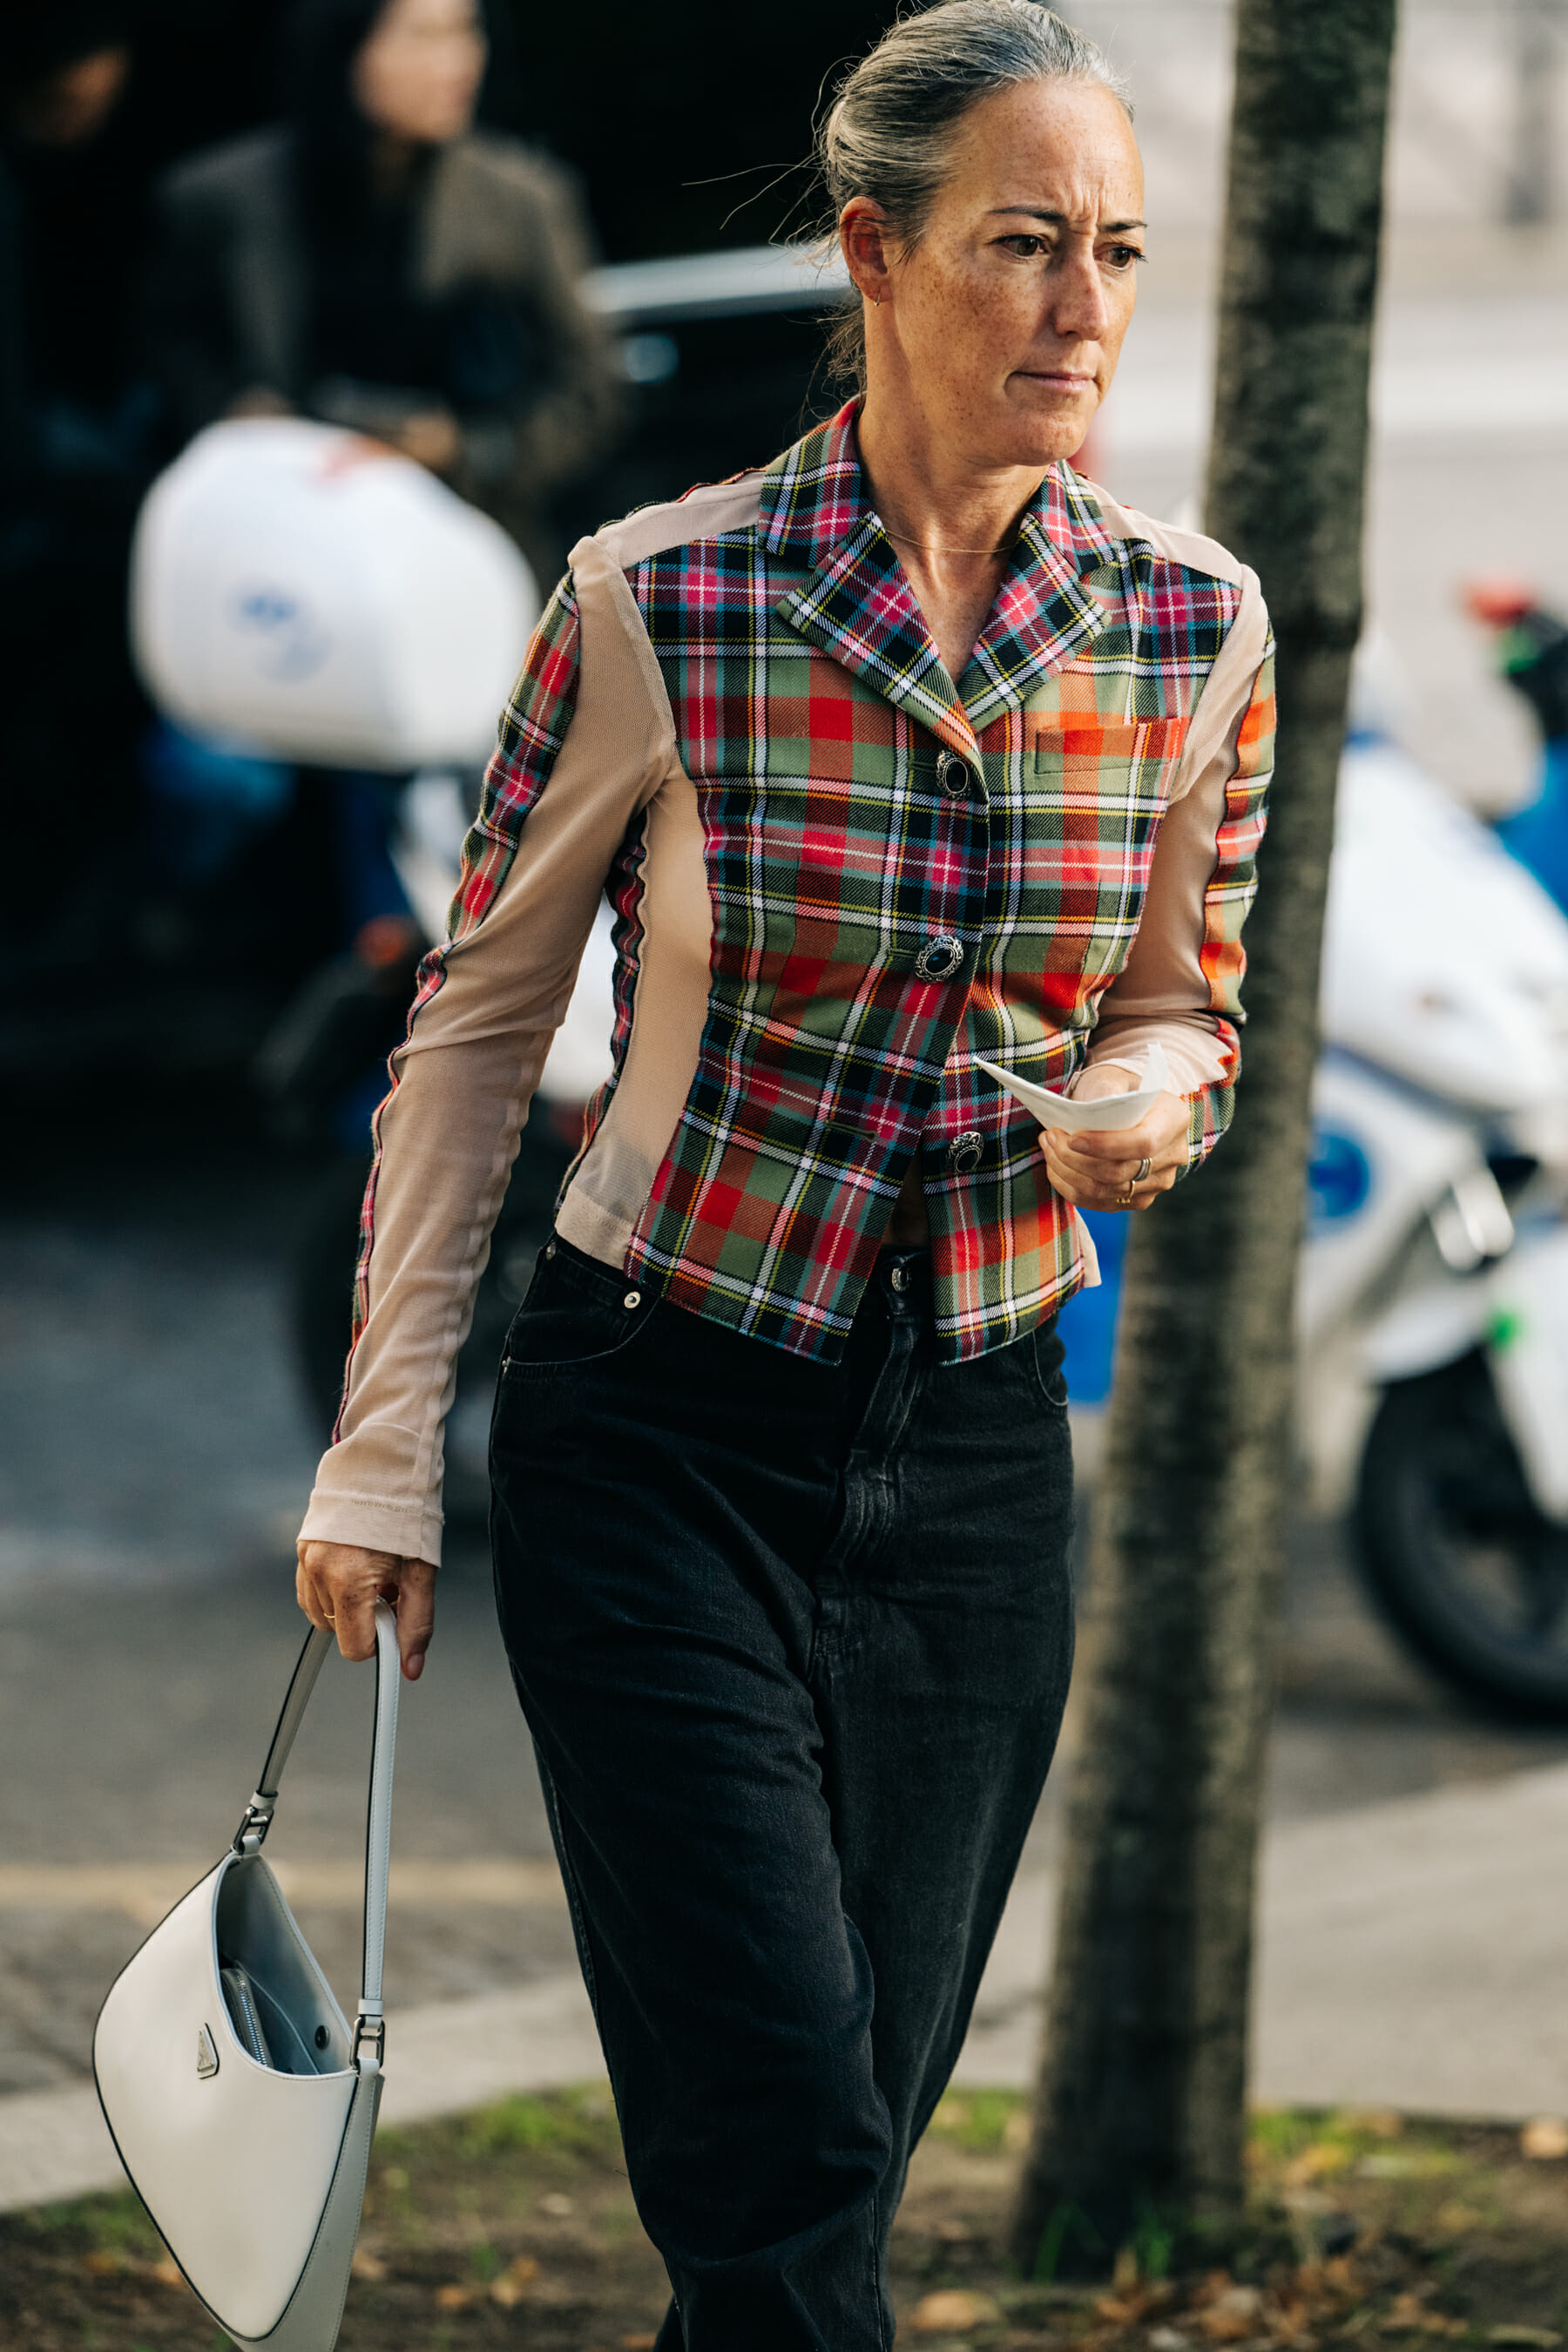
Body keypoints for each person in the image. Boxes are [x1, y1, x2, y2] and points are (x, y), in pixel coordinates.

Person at [295, 3, 1275, 2343]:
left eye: (1118, 250)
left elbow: (1181, 987)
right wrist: (386, 1447)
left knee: (829, 2155)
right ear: (877, 250)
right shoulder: (665, 599)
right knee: (789, 2143)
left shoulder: (1188, 620)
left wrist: (1159, 1093)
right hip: (663, 1423)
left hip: (975, 1454)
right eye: (1026, 243)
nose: (1084, 309)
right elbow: (474, 1037)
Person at [144, 0, 620, 580]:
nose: (459, 62)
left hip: (468, 558)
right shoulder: (223, 197)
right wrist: (235, 418)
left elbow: (593, 393)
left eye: (467, 33)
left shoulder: (522, 201)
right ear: (346, 49)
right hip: (279, 556)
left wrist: (464, 448)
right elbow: (171, 351)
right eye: (424, 36)